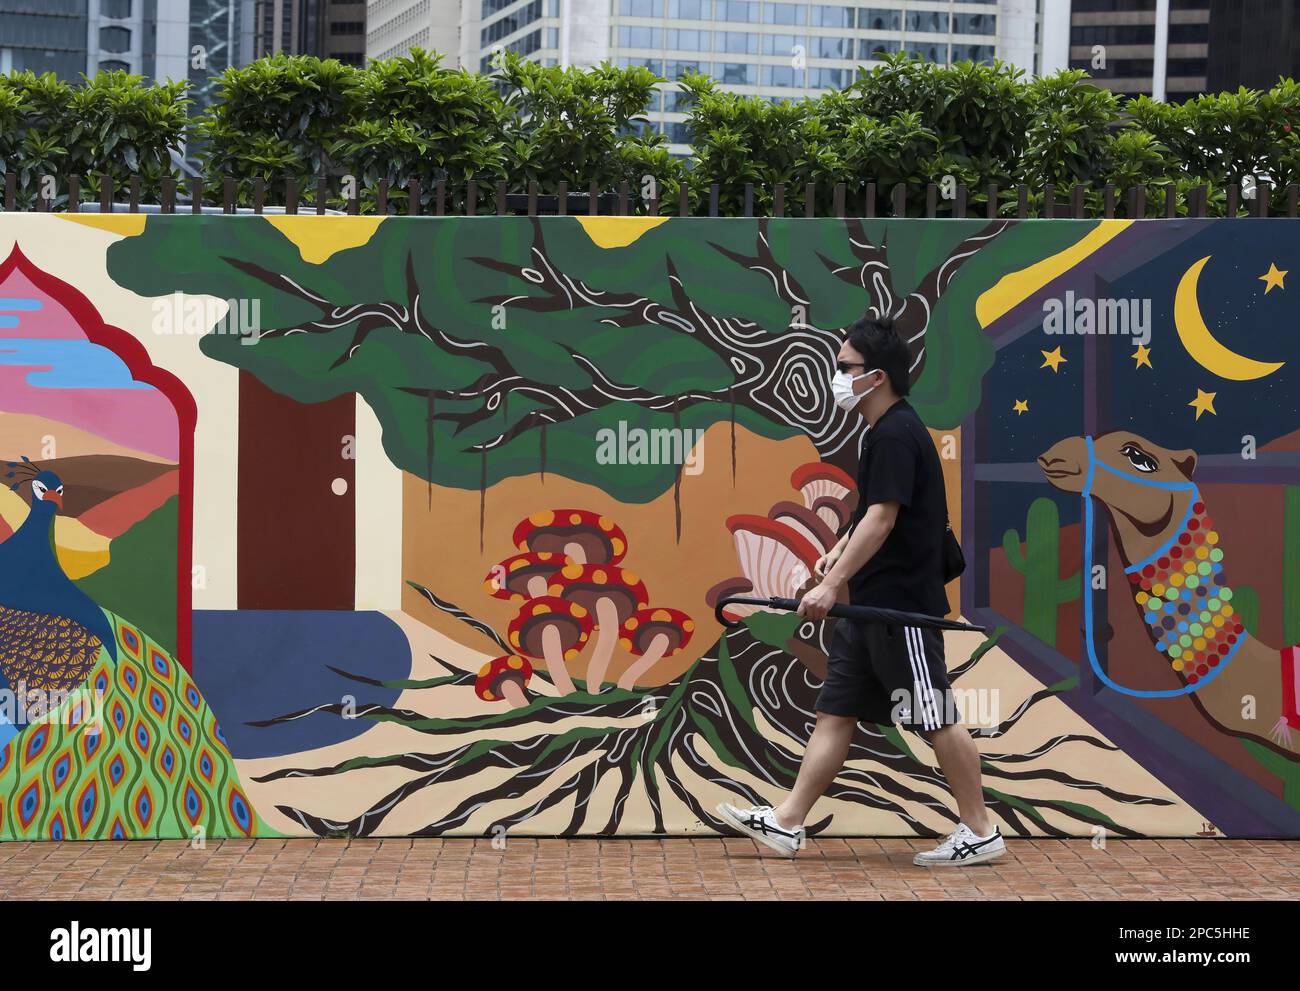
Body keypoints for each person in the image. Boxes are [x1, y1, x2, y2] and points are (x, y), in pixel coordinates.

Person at [716, 316, 1005, 866]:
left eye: (845, 368)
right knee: (837, 713)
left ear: (877, 377)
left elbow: (883, 518)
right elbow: (869, 514)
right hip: (870, 607)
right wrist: (838, 548)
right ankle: (786, 823)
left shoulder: (896, 432)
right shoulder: (882, 433)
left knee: (935, 714)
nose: (836, 377)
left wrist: (830, 583)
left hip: (898, 608)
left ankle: (981, 831)